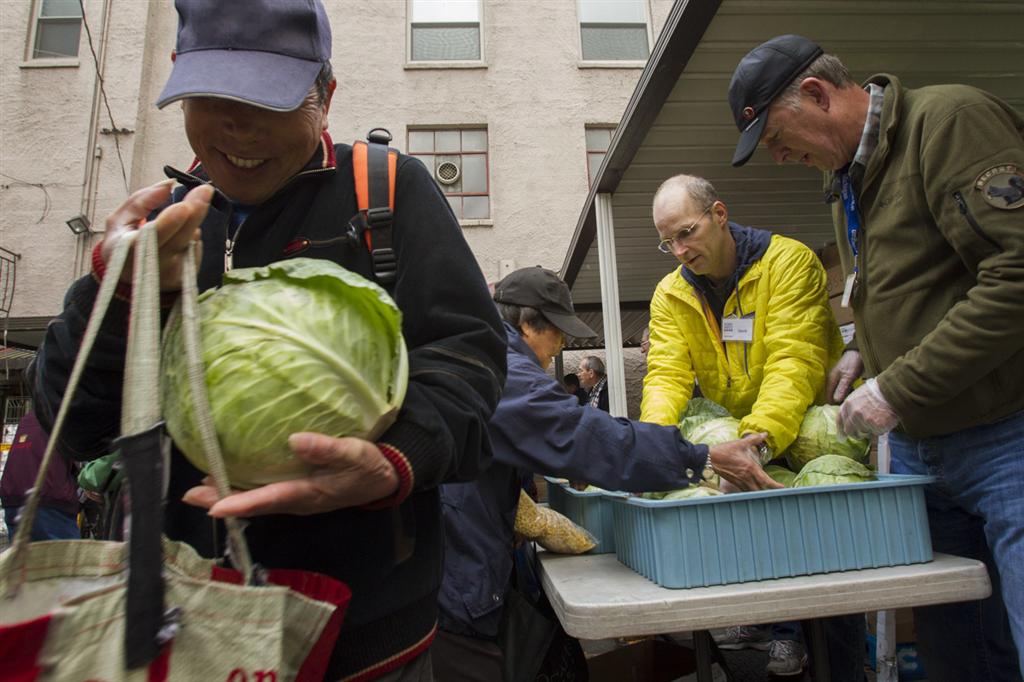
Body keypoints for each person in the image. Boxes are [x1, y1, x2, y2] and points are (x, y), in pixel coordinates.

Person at [27, 1, 507, 679]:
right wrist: (125, 291)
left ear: (325, 95)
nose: (239, 126)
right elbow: (76, 426)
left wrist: (395, 460)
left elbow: (469, 361)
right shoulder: (158, 227)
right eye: (213, 95)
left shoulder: (388, 193)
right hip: (193, 626)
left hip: (370, 634)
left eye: (270, 98)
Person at [729, 34, 1024, 681]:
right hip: (924, 453)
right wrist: (865, 348)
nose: (779, 157)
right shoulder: (845, 182)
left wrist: (899, 388)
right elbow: (912, 281)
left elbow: (1015, 273)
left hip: (1006, 435)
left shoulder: (946, 124)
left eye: (776, 137)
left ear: (815, 93)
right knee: (960, 651)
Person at [433, 266, 780, 681]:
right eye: (556, 332)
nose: (560, 344)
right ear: (527, 323)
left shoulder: (481, 354)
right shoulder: (506, 372)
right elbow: (587, 436)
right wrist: (702, 456)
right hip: (456, 580)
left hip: (454, 560)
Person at [641, 174, 852, 678]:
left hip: (798, 428)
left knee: (830, 571)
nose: (678, 250)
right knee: (762, 546)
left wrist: (755, 440)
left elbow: (794, 359)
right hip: (740, 437)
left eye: (686, 233)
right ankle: (778, 630)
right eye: (667, 241)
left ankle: (835, 662)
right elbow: (667, 375)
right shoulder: (670, 294)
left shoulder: (789, 261)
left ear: (718, 214)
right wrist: (648, 444)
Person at [0, 410, 81, 541]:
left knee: (24, 558)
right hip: (49, 500)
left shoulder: (31, 416)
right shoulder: (69, 413)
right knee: (64, 559)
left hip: (13, 497)